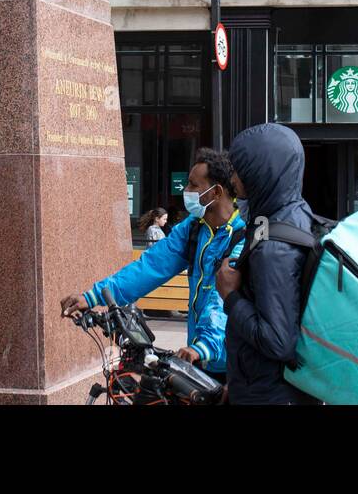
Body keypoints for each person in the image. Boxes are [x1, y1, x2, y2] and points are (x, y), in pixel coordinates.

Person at [60, 149, 244, 376]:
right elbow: (149, 267)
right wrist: (92, 296)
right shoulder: (194, 227)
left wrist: (205, 346)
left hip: (230, 364)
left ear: (215, 192)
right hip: (198, 357)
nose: (186, 191)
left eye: (193, 185)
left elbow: (221, 301)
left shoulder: (242, 235)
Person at [215, 123, 320, 405]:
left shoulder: (274, 248)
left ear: (259, 173)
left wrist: (230, 296)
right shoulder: (297, 214)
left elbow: (277, 341)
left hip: (270, 395)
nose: (233, 181)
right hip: (274, 389)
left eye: (238, 171)